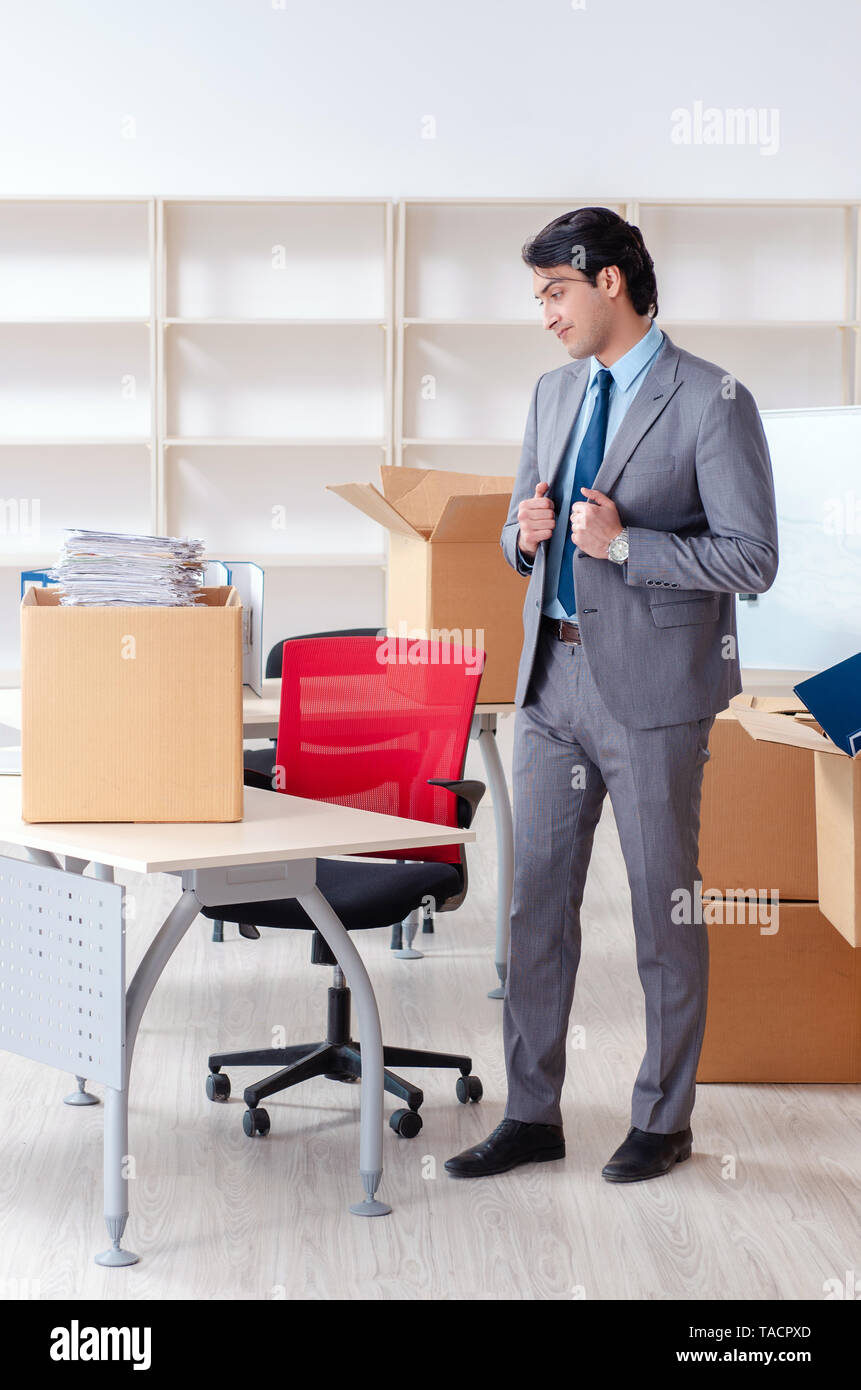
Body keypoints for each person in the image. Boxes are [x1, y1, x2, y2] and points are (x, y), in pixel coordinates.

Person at [445, 206, 779, 1183]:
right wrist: (526, 531)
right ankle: (533, 1112)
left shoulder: (713, 400)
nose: (545, 313)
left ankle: (663, 1117)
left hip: (655, 691)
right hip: (550, 680)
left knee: (660, 908)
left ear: (609, 283)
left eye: (554, 291)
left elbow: (752, 557)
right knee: (534, 907)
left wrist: (628, 543)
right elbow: (518, 530)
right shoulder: (553, 394)